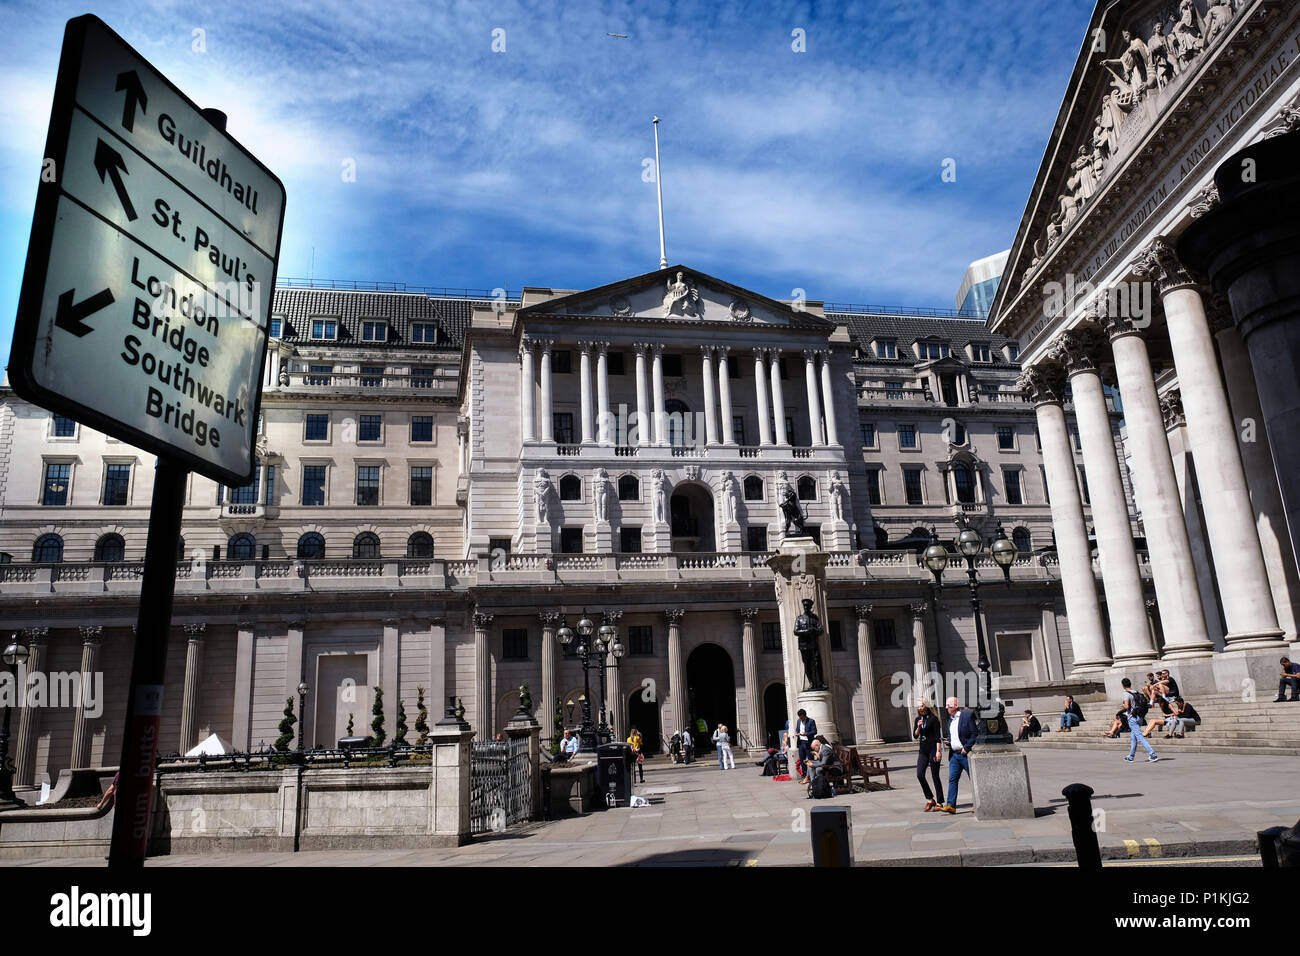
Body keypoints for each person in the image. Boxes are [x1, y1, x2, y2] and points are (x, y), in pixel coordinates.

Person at [938, 697, 979, 813]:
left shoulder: (966, 717)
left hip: (964, 754)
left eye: (948, 706)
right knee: (952, 779)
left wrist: (966, 747)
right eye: (946, 706)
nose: (946, 708)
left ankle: (978, 805)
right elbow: (954, 736)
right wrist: (949, 741)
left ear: (956, 706)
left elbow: (974, 734)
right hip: (954, 755)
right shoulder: (950, 720)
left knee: (974, 779)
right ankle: (951, 805)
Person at [913, 699, 944, 811]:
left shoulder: (933, 719)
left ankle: (940, 802)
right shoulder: (918, 719)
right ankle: (930, 799)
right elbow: (915, 736)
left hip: (933, 750)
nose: (920, 708)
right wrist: (918, 727)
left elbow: (937, 737)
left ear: (926, 706)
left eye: (921, 705)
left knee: (935, 776)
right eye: (918, 706)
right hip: (923, 751)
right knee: (920, 774)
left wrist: (938, 751)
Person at [1121, 678, 1159, 763]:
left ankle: (1153, 755)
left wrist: (1123, 704)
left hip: (1132, 717)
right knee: (1133, 737)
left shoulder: (1126, 694)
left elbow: (1127, 707)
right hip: (1140, 717)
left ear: (1123, 685)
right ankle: (1131, 756)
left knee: (1140, 738)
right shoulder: (1136, 692)